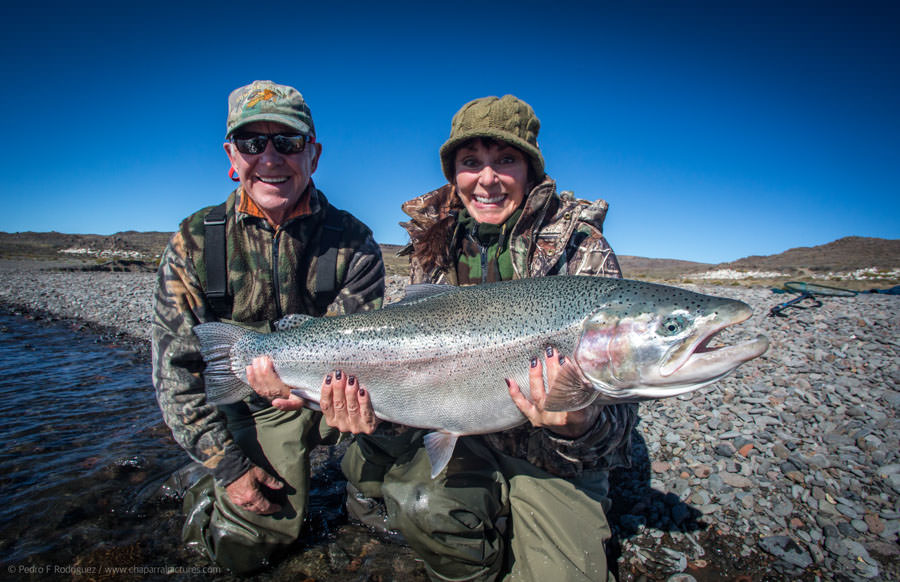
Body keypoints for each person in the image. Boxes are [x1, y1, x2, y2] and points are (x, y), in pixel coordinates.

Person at [252, 94, 637, 581]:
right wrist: (336, 404)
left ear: (531, 169)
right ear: (454, 172)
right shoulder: (435, 240)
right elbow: (413, 372)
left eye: (506, 160)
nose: (488, 178)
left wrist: (576, 425)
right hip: (462, 429)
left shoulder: (582, 249)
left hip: (554, 459)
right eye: (470, 162)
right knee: (417, 502)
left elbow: (619, 427)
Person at [150, 80, 385, 574]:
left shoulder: (356, 243)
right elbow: (177, 379)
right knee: (251, 546)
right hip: (253, 407)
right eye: (253, 143)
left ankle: (371, 493)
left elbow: (368, 357)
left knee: (407, 479)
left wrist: (372, 414)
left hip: (336, 394)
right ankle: (205, 494)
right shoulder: (194, 243)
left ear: (313, 154)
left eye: (288, 142)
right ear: (231, 155)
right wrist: (228, 467)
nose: (271, 157)